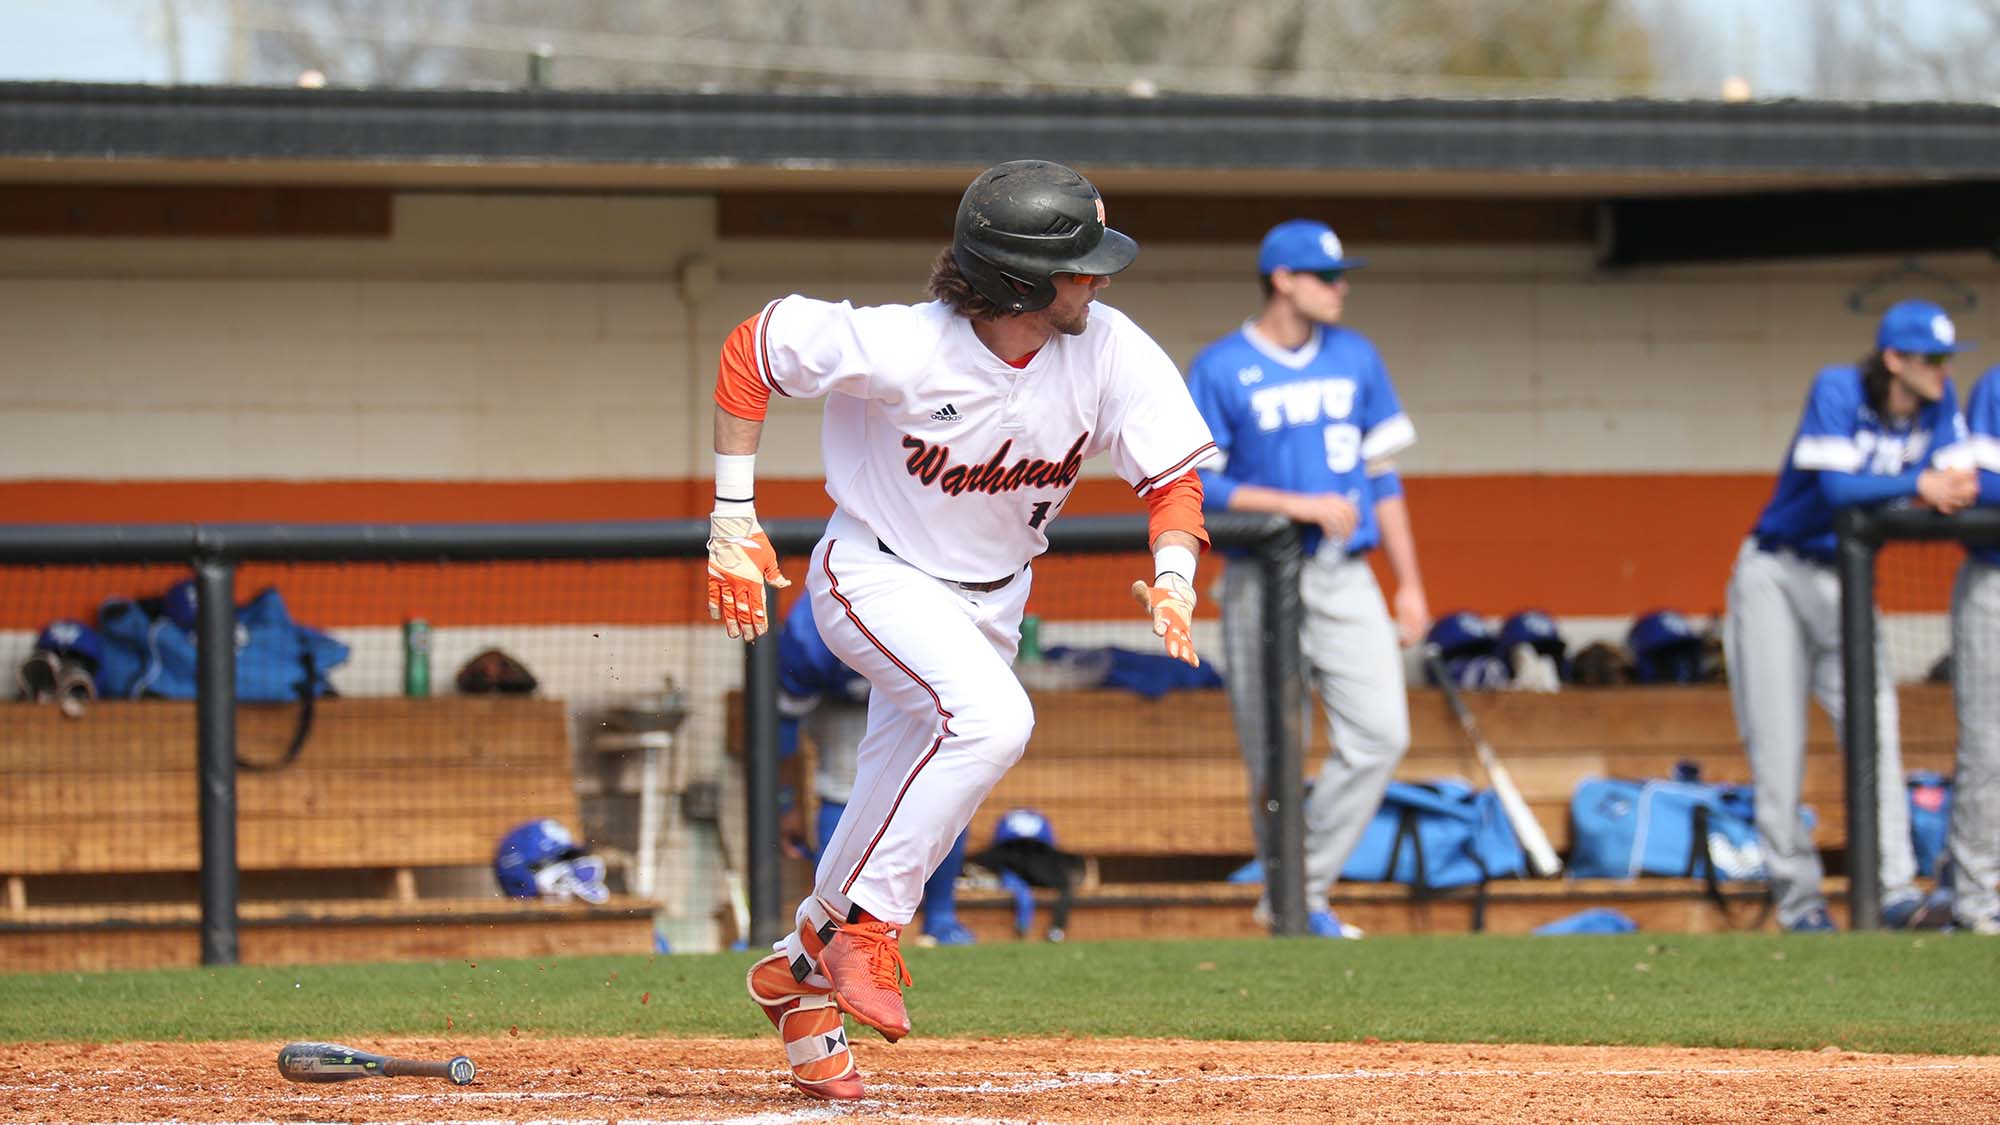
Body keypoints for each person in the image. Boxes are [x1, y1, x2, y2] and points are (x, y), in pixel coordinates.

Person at [705, 158, 1217, 1100]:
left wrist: (1176, 577)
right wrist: (732, 518)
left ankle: (798, 974)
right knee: (994, 720)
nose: (1099, 280)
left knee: (898, 799)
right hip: (877, 570)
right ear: (1019, 281)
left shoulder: (1109, 348)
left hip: (994, 599)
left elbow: (1173, 480)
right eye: (1079, 266)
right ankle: (867, 930)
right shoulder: (905, 345)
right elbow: (754, 346)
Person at [1184, 218, 1431, 940]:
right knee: (1272, 753)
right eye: (1326, 276)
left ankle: (1298, 886)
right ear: (1283, 280)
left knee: (1381, 735)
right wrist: (1296, 504)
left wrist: (1410, 583)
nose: (1340, 287)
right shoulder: (1222, 365)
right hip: (1258, 580)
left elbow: (1383, 478)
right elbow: (1197, 481)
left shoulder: (1357, 356)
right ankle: (1294, 903)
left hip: (1346, 573)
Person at [1724, 299, 1978, 932]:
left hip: (1847, 580)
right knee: (1777, 746)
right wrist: (1919, 485)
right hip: (1777, 573)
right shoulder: (1838, 388)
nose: (1943, 370)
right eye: (1931, 359)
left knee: (1878, 732)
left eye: (1948, 359)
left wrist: (1934, 484)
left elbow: (1962, 481)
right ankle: (1800, 902)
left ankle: (1895, 890)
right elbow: (1838, 491)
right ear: (1894, 359)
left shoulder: (1940, 403)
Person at [774, 593, 974, 947]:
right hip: (843, 705)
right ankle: (833, 923)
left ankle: (942, 917)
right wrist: (786, 802)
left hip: (924, 696)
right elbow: (785, 720)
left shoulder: (938, 599)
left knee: (944, 787)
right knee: (845, 787)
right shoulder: (812, 629)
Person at [1948, 365, 2000, 934]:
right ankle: (1976, 898)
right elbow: (1978, 486)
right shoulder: (1997, 386)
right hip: (1994, 579)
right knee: (1988, 750)